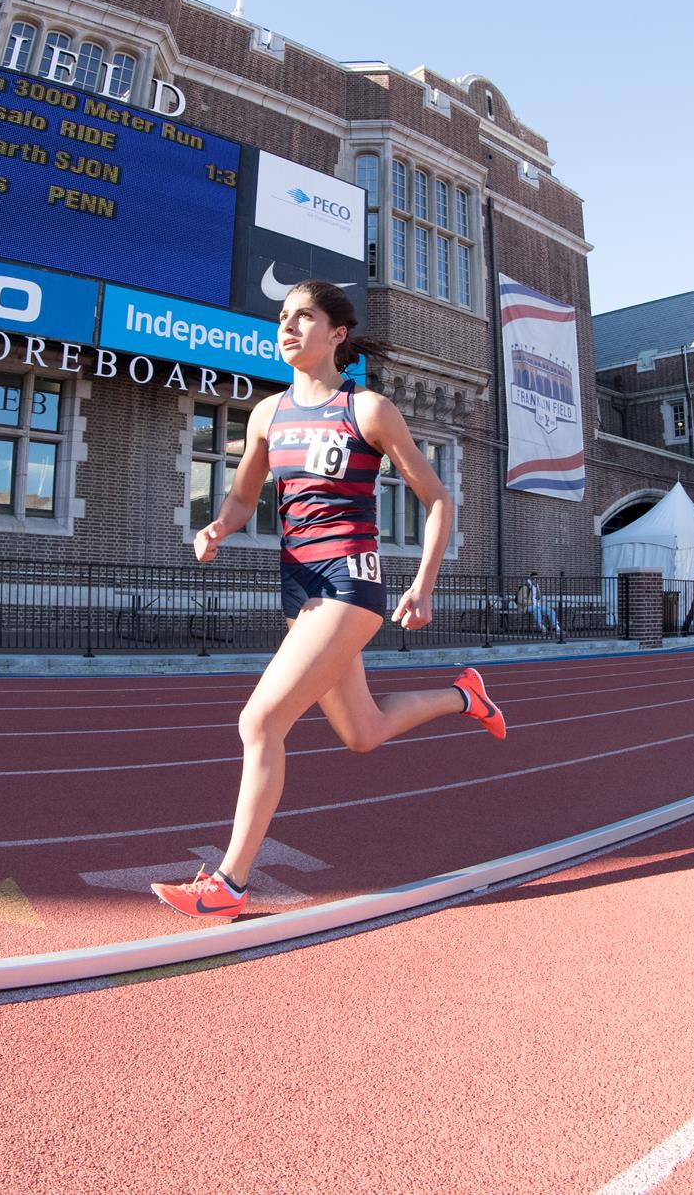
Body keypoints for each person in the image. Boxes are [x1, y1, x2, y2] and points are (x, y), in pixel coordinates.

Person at [151, 281, 505, 921]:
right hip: (299, 585)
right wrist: (218, 527)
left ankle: (230, 882)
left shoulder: (367, 410)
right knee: (362, 732)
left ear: (337, 333)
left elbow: (438, 500)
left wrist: (423, 583)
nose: (286, 328)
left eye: (303, 317)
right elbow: (240, 496)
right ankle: (465, 695)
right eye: (282, 318)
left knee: (260, 722)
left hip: (349, 584)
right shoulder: (267, 415)